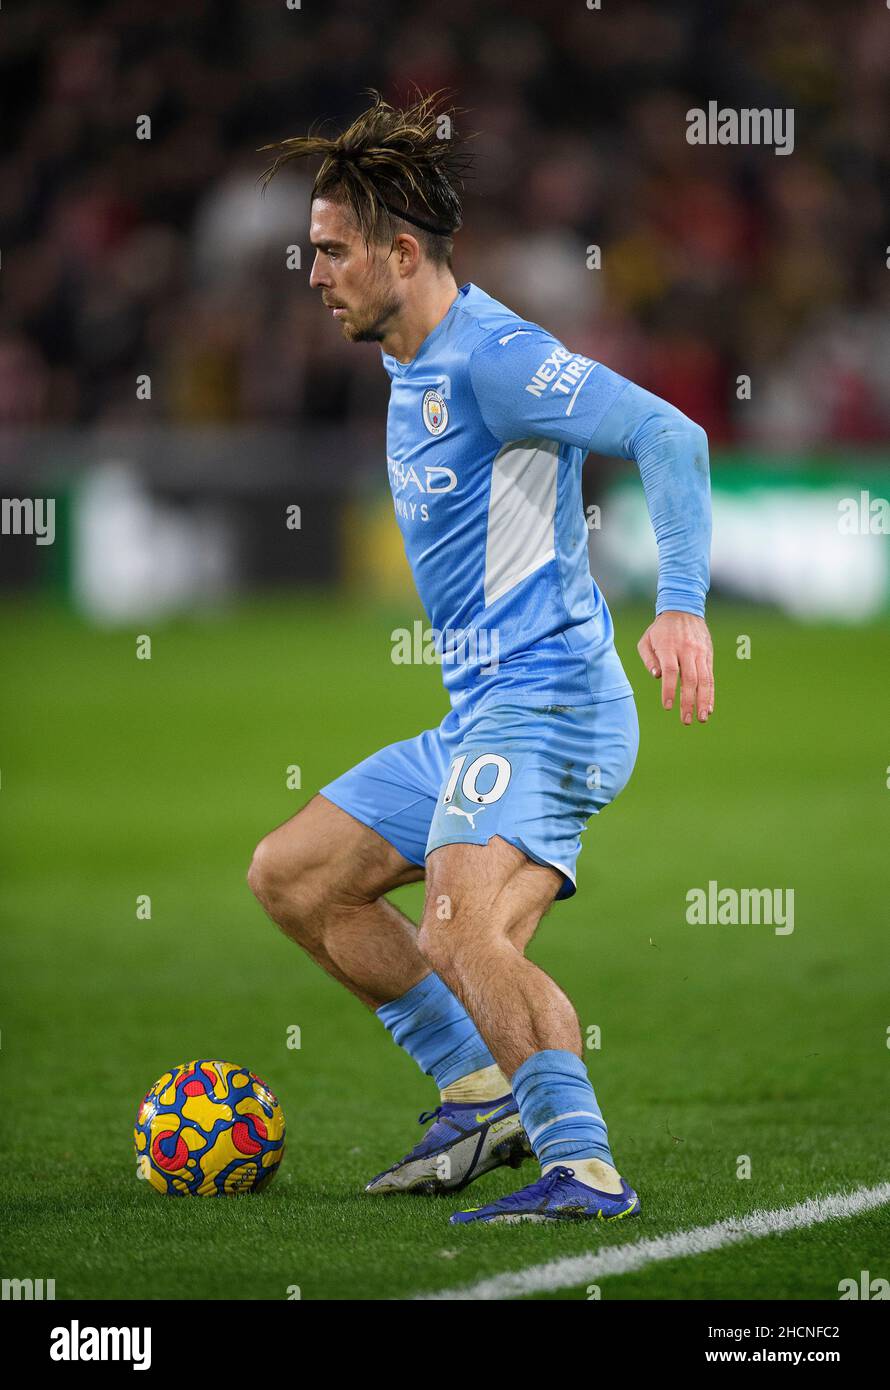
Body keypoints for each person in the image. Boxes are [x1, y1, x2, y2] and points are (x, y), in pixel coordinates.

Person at [248, 91, 713, 1225]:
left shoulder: (496, 357)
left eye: (330, 252)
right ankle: (477, 1091)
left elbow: (670, 432)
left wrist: (682, 605)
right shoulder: (404, 358)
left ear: (401, 254)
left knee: (463, 933)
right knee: (294, 875)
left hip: (549, 704)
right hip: (480, 715)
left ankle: (583, 1165)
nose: (310, 273)